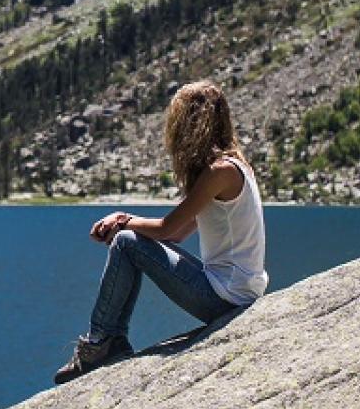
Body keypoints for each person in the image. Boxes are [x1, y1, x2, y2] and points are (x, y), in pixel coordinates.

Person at [53, 80, 269, 385]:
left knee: (126, 242)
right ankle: (109, 340)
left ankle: (101, 343)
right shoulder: (236, 166)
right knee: (129, 241)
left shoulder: (219, 172)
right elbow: (176, 235)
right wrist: (126, 223)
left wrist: (123, 221)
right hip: (240, 291)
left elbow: (168, 228)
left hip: (226, 298)